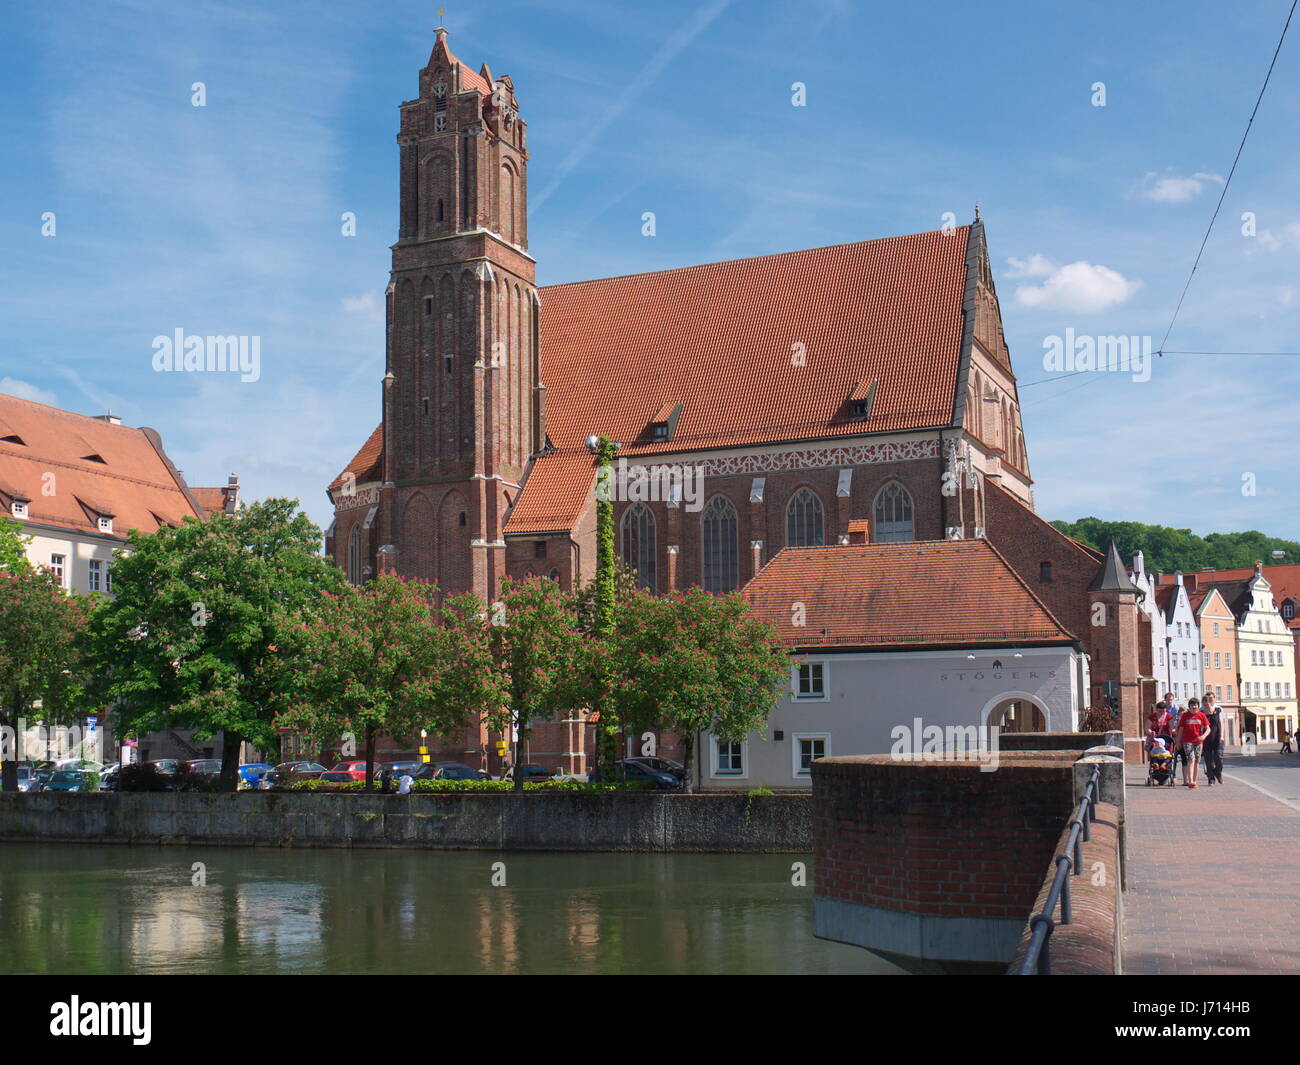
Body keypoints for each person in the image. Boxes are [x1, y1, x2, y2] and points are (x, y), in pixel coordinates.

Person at [1176, 697, 1210, 788]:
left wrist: (1203, 736)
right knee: (1191, 759)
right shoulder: (1185, 716)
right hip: (1187, 741)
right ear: (1189, 706)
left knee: (1197, 761)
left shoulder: (1201, 715)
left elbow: (1208, 729)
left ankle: (1195, 781)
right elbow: (1181, 729)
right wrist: (1178, 741)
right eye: (1192, 705)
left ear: (1198, 706)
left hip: (1199, 741)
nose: (1194, 707)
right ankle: (1190, 781)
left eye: (1196, 705)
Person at [1201, 692, 1224, 786]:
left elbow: (1221, 724)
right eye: (1207, 699)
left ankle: (1218, 773)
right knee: (1208, 760)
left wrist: (1222, 735)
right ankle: (1211, 778)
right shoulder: (1201, 711)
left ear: (1214, 699)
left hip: (1217, 737)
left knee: (1218, 757)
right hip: (1206, 738)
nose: (1209, 701)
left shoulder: (1218, 710)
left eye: (1211, 698)